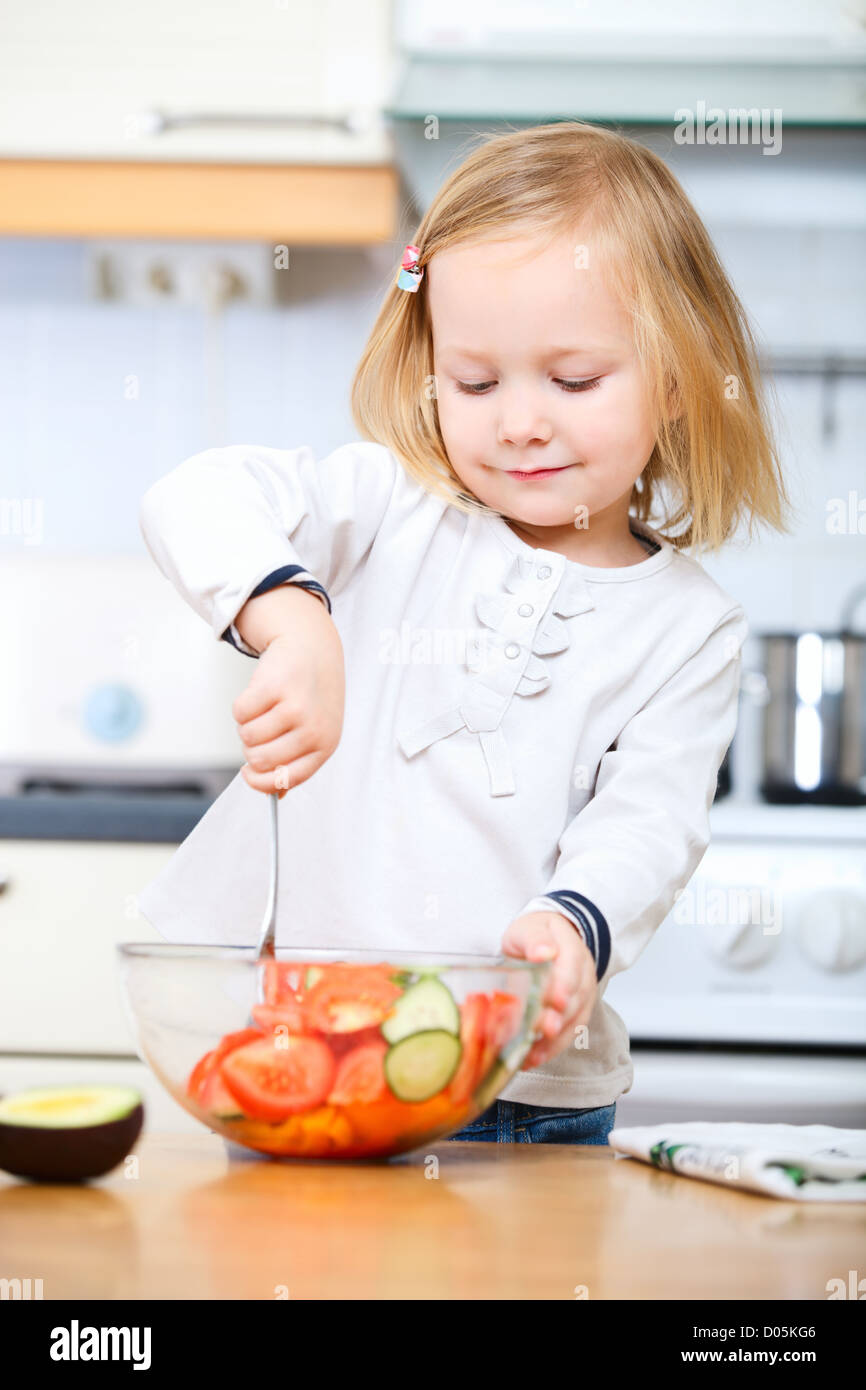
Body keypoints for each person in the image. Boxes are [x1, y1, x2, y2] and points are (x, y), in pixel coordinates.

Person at [137, 121, 790, 1147]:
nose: (518, 420)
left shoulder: (686, 628)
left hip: (521, 1096)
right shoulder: (388, 505)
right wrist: (294, 621)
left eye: (571, 379)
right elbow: (195, 495)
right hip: (304, 1055)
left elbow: (648, 826)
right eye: (475, 382)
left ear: (674, 380)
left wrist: (571, 923)